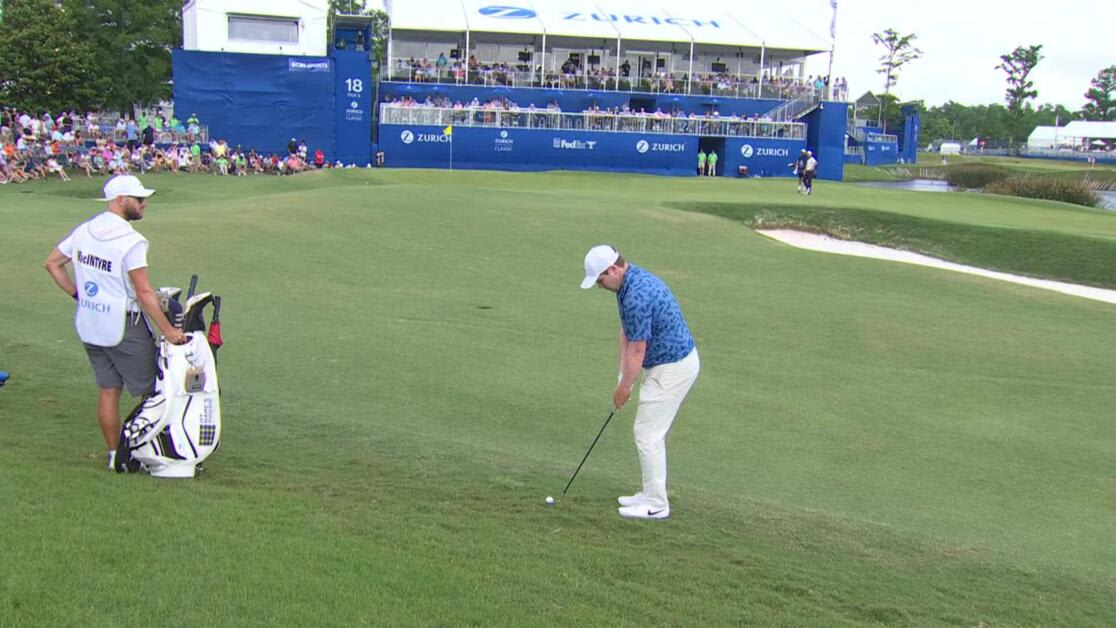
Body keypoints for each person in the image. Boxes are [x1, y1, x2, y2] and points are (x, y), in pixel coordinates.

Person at [43, 175, 187, 470]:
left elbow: (52, 263)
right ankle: (149, 452)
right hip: (124, 326)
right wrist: (169, 330)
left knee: (109, 390)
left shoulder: (84, 230)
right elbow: (144, 293)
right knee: (154, 391)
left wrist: (79, 296)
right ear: (121, 200)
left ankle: (114, 455)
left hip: (90, 323)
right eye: (139, 199)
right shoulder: (131, 241)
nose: (144, 204)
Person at [579, 245, 700, 520]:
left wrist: (624, 389)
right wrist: (623, 378)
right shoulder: (628, 284)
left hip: (673, 368)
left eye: (600, 280)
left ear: (612, 270)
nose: (599, 286)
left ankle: (656, 504)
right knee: (647, 432)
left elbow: (637, 350)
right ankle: (648, 494)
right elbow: (627, 332)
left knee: (648, 434)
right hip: (668, 363)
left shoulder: (635, 295)